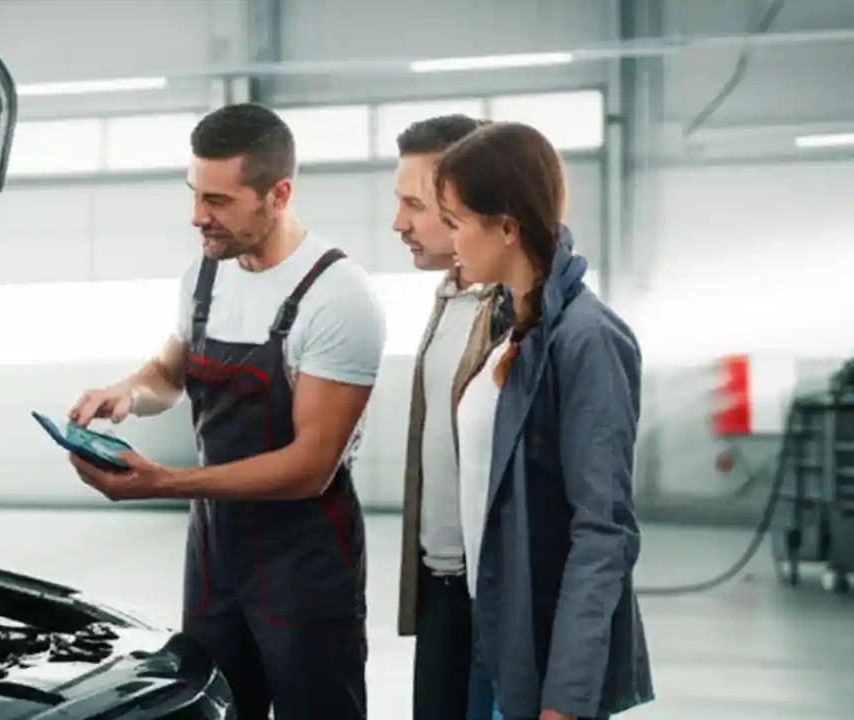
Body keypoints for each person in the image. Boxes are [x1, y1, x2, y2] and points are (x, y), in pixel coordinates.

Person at [66, 102, 386, 720]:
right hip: (216, 553)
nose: (197, 217)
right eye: (194, 194)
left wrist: (165, 483)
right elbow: (168, 373)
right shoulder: (204, 276)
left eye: (218, 200)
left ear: (278, 193)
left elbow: (309, 466)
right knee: (213, 709)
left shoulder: (338, 296)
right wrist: (126, 395)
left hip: (306, 558)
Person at [434, 121, 655, 720]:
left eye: (455, 222)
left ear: (505, 226)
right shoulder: (513, 326)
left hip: (547, 658)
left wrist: (566, 699)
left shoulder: (587, 339)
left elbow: (603, 530)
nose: (449, 241)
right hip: (498, 634)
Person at [390, 114, 507, 720]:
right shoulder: (450, 297)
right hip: (442, 587)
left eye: (415, 204)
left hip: (492, 597)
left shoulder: (525, 314)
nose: (398, 223)